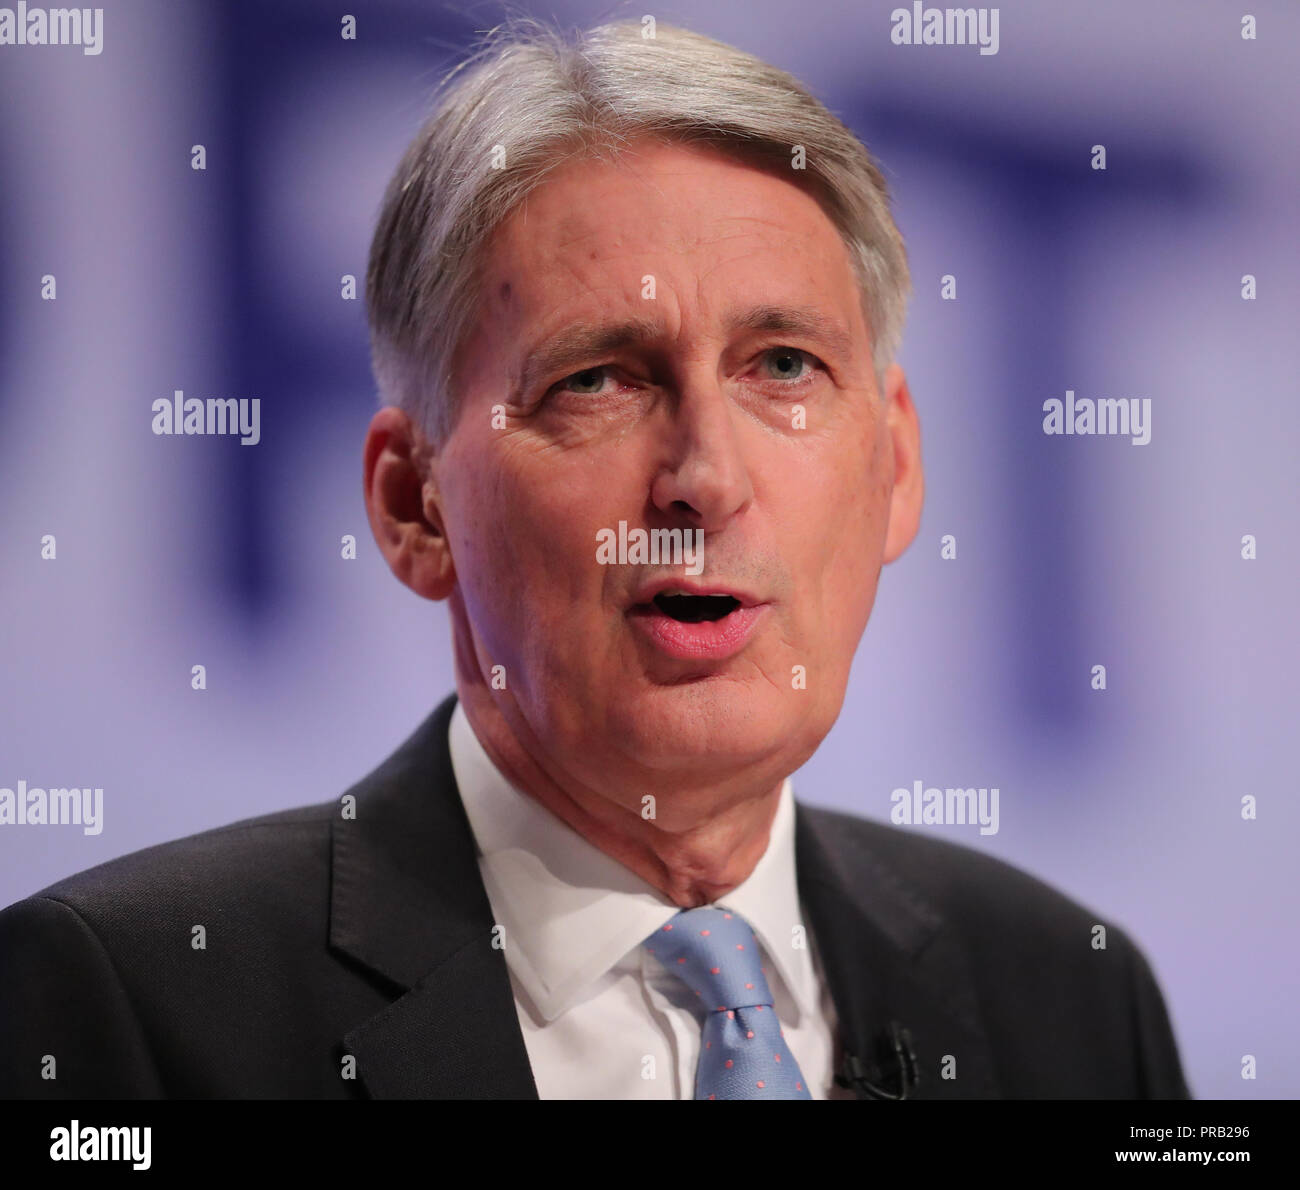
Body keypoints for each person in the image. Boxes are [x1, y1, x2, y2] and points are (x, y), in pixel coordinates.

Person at [0, 18, 1188, 1100]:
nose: (705, 476)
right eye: (599, 379)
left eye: (781, 365)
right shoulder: (130, 1006)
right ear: (414, 505)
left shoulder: (1070, 1004)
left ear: (896, 468)